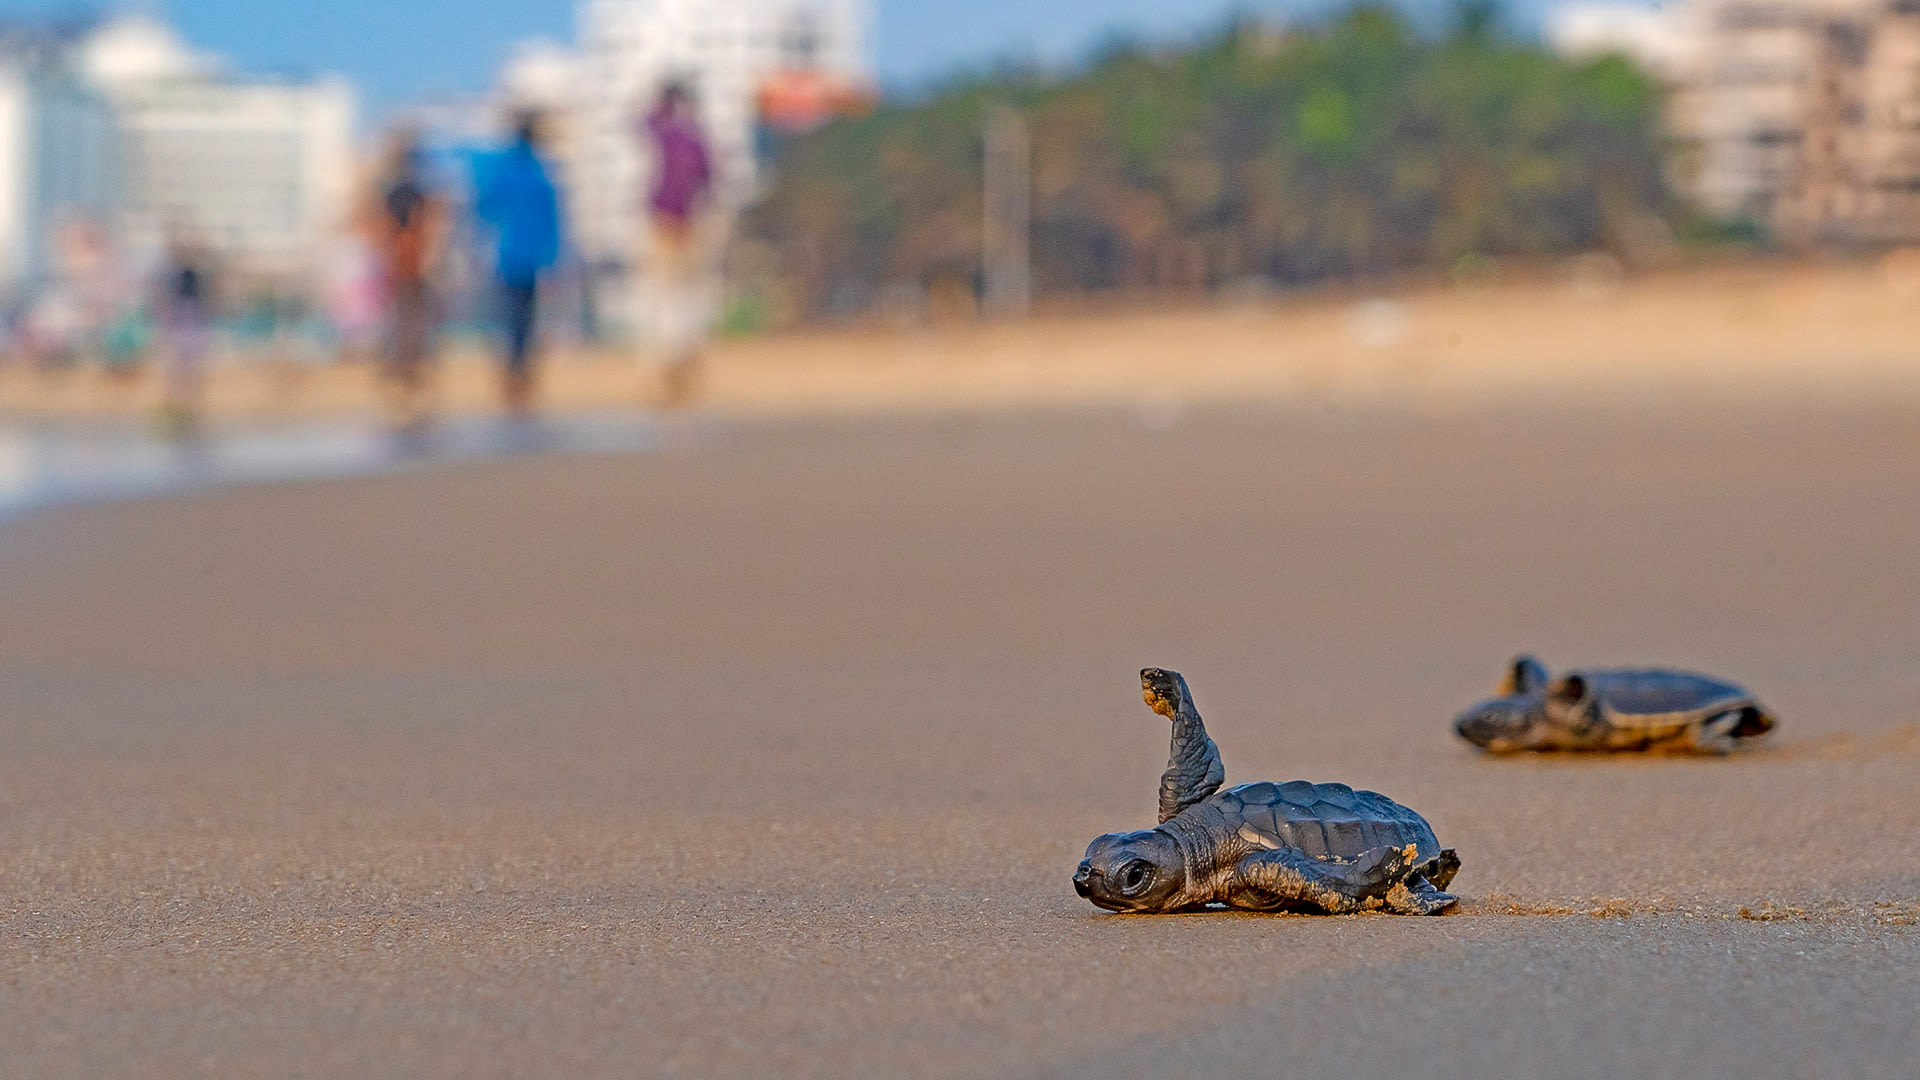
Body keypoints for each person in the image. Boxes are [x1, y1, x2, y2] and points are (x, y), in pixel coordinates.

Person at [475, 111, 563, 418]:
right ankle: (521, 381)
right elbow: (553, 219)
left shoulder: (503, 169)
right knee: (526, 322)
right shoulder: (541, 171)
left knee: (510, 321)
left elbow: (484, 208)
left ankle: (512, 381)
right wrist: (552, 256)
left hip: (507, 256)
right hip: (533, 259)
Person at [641, 81, 716, 405]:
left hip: (667, 223)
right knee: (683, 297)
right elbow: (710, 181)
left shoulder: (667, 135)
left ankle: (673, 361)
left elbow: (640, 124)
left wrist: (663, 103)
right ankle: (679, 359)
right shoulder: (696, 139)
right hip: (685, 223)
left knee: (665, 296)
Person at [372, 130, 445, 435]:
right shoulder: (414, 196)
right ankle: (410, 390)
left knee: (403, 331)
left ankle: (406, 392)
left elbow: (383, 231)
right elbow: (423, 229)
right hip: (409, 273)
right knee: (413, 332)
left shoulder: (395, 195)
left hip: (402, 273)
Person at [155, 232, 213, 439]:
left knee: (188, 368)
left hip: (189, 320)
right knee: (178, 368)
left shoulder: (192, 273)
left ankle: (189, 407)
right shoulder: (175, 273)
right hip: (183, 320)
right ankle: (177, 407)